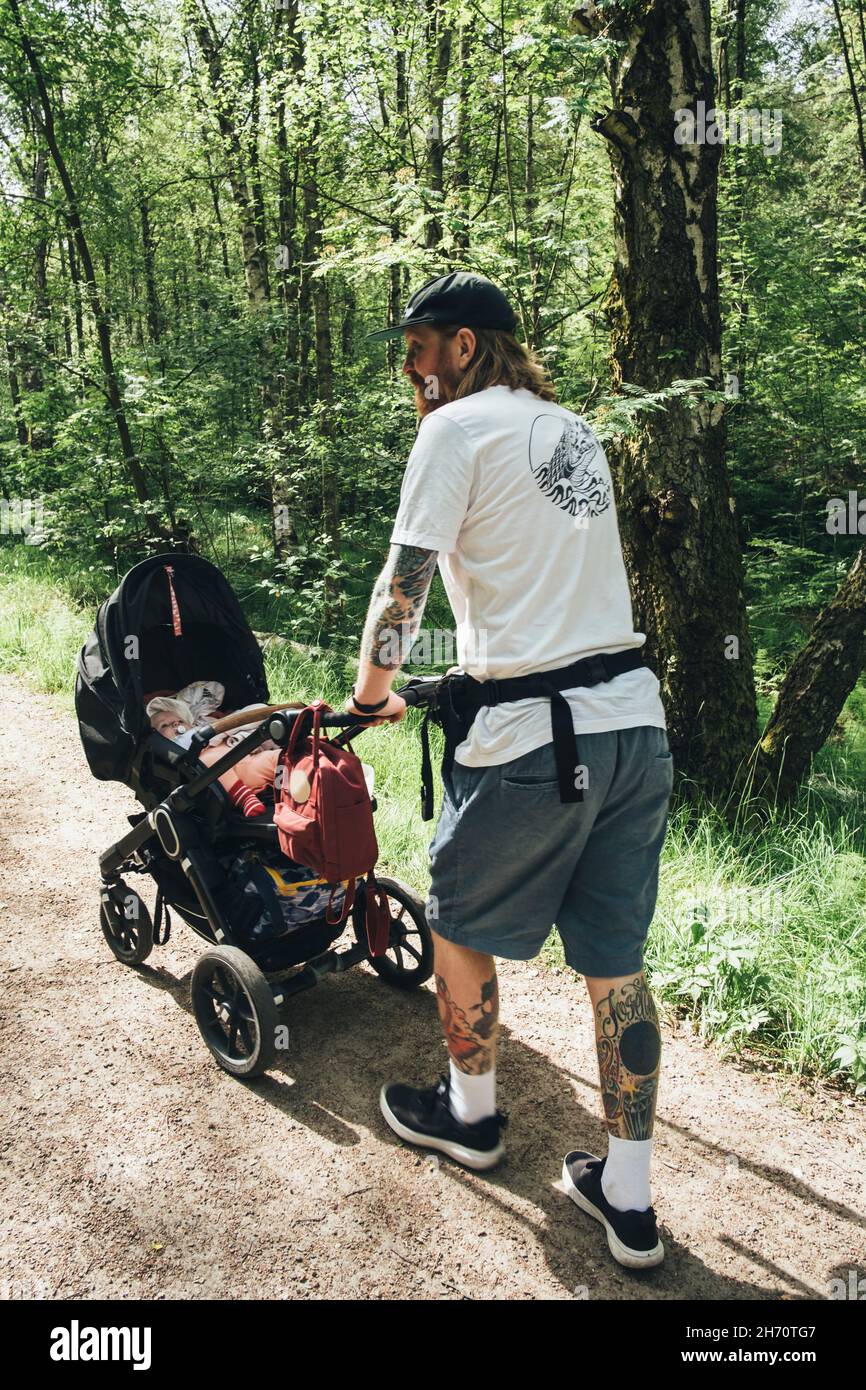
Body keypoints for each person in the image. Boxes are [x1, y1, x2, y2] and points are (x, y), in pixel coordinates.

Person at [345, 271, 673, 1269]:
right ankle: (628, 1195)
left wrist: (367, 695)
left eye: (419, 344)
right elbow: (549, 598)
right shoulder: (569, 428)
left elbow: (404, 582)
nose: (409, 366)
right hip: (632, 728)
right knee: (615, 962)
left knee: (455, 920)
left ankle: (471, 1115)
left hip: (536, 740)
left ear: (463, 345)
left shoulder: (452, 430)